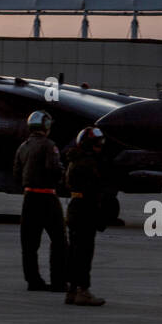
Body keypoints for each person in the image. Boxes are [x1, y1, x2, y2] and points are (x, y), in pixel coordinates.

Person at [14, 110, 66, 292]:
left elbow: (16, 173)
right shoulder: (49, 145)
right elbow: (53, 169)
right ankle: (58, 281)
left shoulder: (23, 147)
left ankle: (33, 281)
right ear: (46, 126)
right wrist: (61, 172)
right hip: (47, 197)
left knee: (29, 244)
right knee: (59, 241)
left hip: (29, 198)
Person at [64, 126, 106, 306]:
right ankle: (83, 290)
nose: (100, 147)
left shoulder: (73, 160)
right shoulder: (88, 163)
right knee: (84, 251)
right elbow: (94, 189)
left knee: (74, 250)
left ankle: (72, 290)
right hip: (86, 209)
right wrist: (100, 213)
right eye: (97, 144)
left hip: (74, 207)